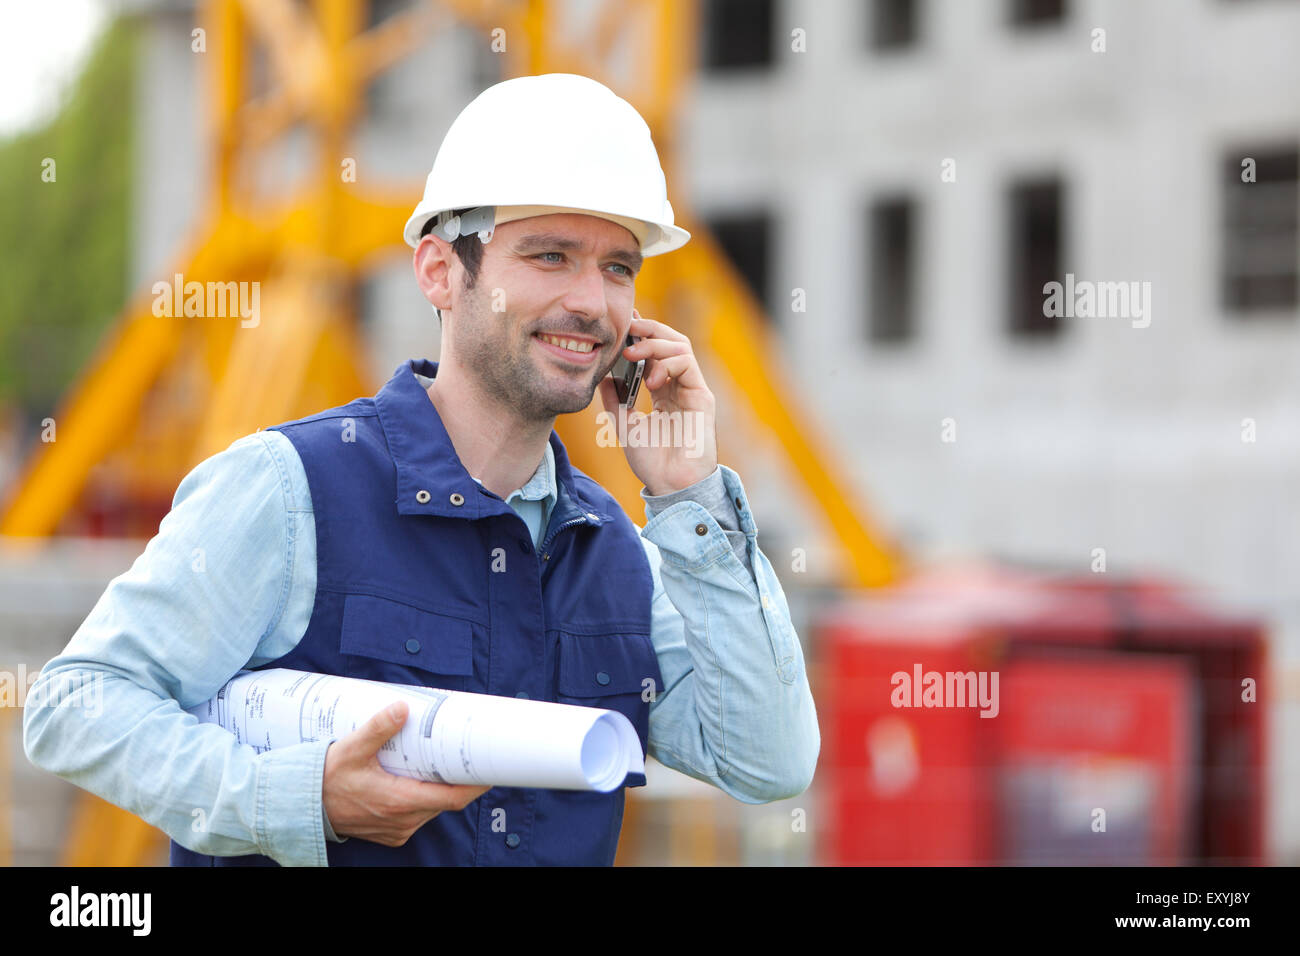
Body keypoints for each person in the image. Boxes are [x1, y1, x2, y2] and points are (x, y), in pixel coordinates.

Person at [23, 72, 819, 866]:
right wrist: (297, 801)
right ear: (439, 270)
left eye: (618, 268)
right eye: (550, 255)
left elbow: (768, 762)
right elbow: (77, 702)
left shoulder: (621, 554)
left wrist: (690, 494)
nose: (592, 302)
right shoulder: (292, 489)